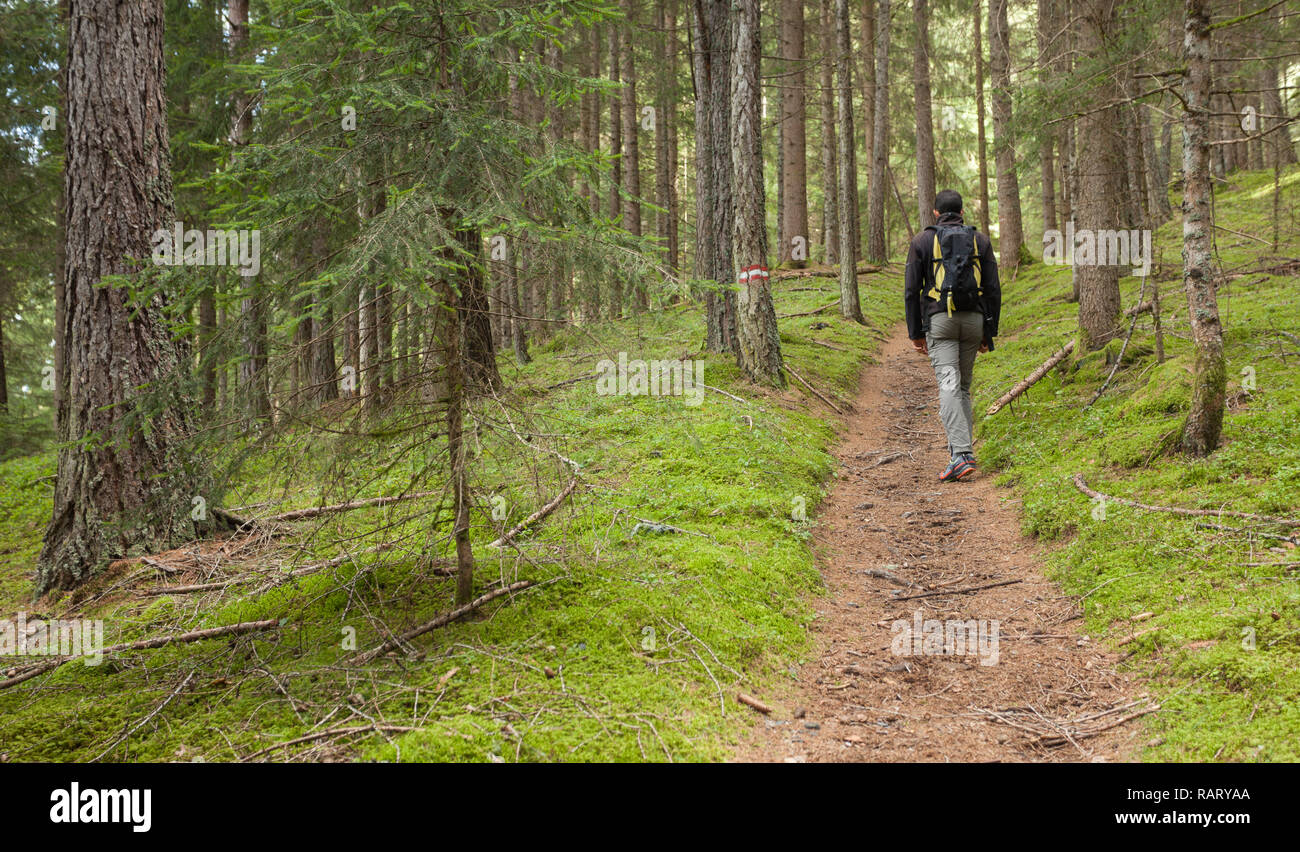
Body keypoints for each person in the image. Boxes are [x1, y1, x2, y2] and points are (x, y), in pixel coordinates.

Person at [903, 189, 1002, 482]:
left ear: (935, 213)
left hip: (941, 323)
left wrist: (915, 332)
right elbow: (994, 288)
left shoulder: (922, 240)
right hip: (973, 322)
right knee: (962, 389)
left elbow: (911, 290)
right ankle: (962, 454)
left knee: (949, 386)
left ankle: (960, 455)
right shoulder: (980, 240)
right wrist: (989, 330)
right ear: (962, 212)